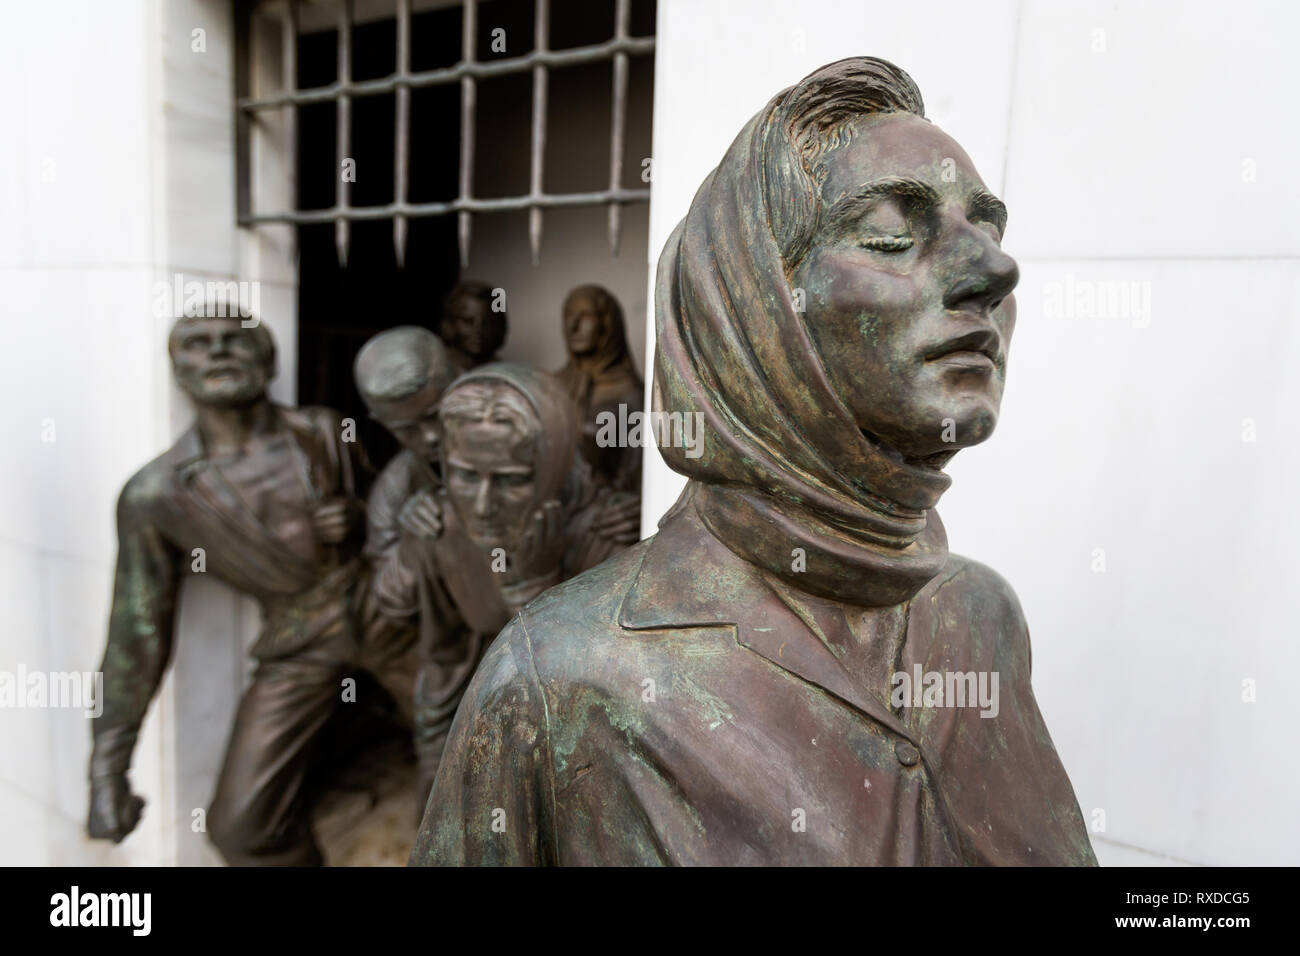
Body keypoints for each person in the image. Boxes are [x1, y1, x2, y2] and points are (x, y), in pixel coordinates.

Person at [411, 58, 1096, 866]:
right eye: (888, 235)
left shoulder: (979, 617)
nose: (993, 270)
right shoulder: (557, 675)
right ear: (750, 305)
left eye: (989, 230)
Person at [88, 313, 408, 866]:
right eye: (198, 344)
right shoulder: (156, 494)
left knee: (475, 753)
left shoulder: (325, 430)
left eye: (235, 339)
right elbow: (135, 638)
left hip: (388, 612)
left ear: (269, 360)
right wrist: (108, 770)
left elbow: (403, 516)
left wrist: (360, 521)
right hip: (297, 640)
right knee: (240, 827)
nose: (219, 352)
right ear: (178, 371)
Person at [372, 363, 639, 805]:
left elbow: (595, 688)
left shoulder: (601, 533)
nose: (482, 503)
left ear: (552, 465)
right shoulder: (437, 518)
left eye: (511, 481)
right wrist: (412, 548)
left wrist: (533, 585)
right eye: (464, 474)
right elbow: (392, 605)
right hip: (453, 704)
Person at [554, 284, 644, 495]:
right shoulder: (551, 385)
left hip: (601, 511)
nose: (573, 326)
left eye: (586, 316)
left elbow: (634, 477)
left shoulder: (630, 394)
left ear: (608, 325)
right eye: (569, 315)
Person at [437, 280, 506, 375]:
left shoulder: (505, 375)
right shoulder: (434, 371)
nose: (478, 330)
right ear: (449, 323)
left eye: (487, 322)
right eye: (467, 321)